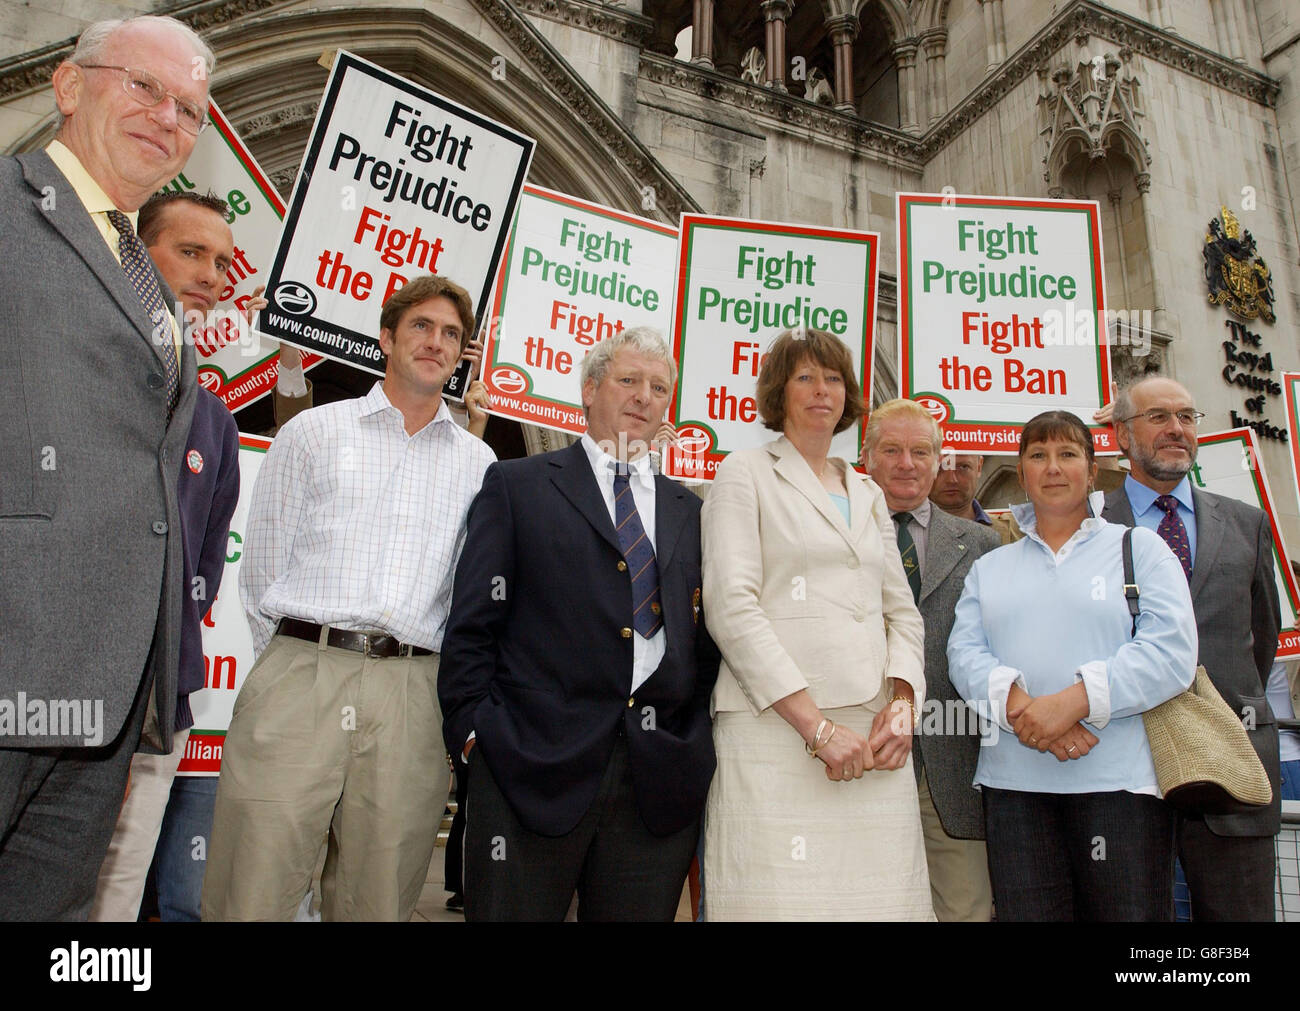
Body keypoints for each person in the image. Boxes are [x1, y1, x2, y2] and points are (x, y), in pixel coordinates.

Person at [0, 15, 211, 920]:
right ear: (69, 84)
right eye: (146, 88)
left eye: (192, 110)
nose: (170, 118)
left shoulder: (148, 280)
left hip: (108, 691)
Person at [202, 274, 495, 921]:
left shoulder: (480, 467)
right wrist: (287, 671)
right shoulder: (314, 433)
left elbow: (473, 598)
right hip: (303, 672)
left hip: (414, 692)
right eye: (421, 325)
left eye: (451, 333)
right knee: (253, 881)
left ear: (462, 353)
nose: (436, 341)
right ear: (387, 337)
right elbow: (263, 570)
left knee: (378, 895)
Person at [439, 326, 719, 922]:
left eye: (659, 388)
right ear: (590, 390)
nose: (644, 397)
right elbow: (472, 624)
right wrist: (474, 735)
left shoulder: (692, 513)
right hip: (527, 767)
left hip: (656, 785)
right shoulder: (519, 487)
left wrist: (689, 739)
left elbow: (706, 644)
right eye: (628, 381)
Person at [700, 328, 931, 921]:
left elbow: (901, 612)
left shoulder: (868, 492)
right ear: (779, 392)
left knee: (880, 905)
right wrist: (817, 729)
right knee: (780, 902)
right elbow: (732, 606)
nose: (821, 390)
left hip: (876, 737)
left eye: (832, 378)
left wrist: (903, 703)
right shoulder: (743, 473)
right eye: (804, 376)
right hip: (777, 729)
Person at [948, 409, 1197, 921]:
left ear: (1091, 468)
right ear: (1021, 473)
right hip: (1016, 790)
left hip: (1120, 789)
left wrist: (1073, 702)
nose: (1053, 468)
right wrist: (1023, 709)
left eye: (1067, 454)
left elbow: (1171, 651)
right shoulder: (990, 567)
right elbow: (963, 654)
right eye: (1038, 456)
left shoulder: (1139, 548)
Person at [89, 190, 242, 921]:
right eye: (191, 252)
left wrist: (161, 663)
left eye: (222, 262)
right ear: (133, 253)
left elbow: (203, 569)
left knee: (116, 896)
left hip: (158, 699)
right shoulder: (77, 361)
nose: (212, 275)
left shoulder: (215, 421)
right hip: (52, 682)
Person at [1102, 376, 1283, 921]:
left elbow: (1260, 639)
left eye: (1187, 416)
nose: (1177, 429)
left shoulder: (1246, 523)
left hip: (1233, 762)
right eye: (1158, 417)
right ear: (1121, 435)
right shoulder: (1087, 526)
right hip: (1120, 766)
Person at [863, 399, 1000, 921]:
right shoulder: (832, 531)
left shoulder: (984, 545)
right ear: (867, 456)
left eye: (921, 451)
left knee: (963, 909)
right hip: (861, 749)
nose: (906, 463)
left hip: (952, 767)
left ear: (939, 459)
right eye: (892, 450)